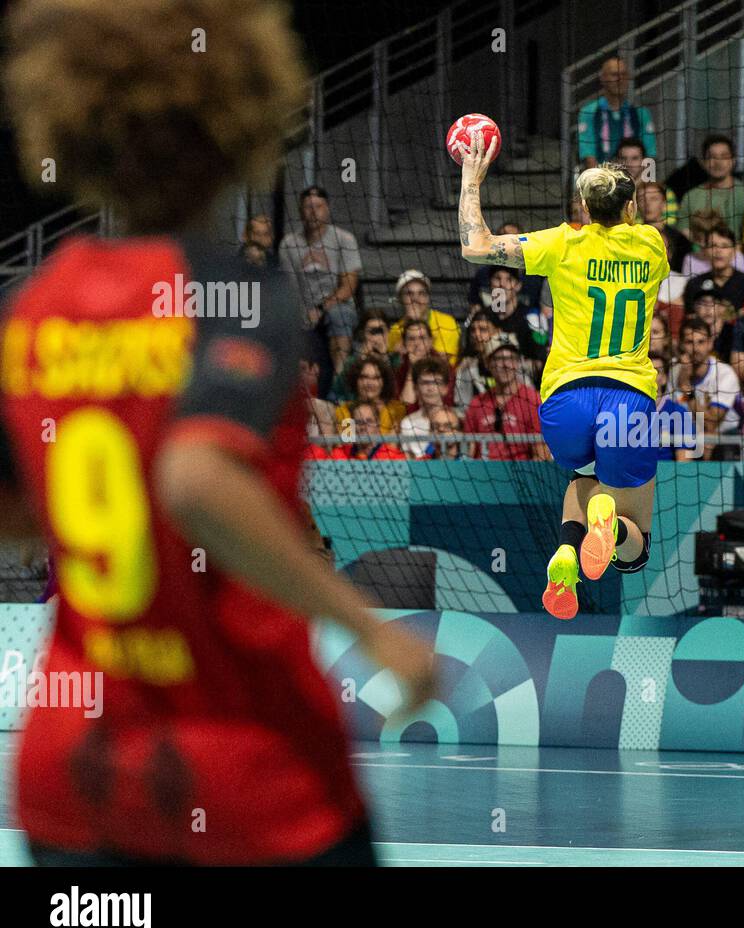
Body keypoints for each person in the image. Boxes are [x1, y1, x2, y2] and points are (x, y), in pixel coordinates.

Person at [0, 0, 436, 866]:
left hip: (73, 772)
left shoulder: (31, 305)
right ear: (238, 119)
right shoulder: (237, 297)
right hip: (250, 774)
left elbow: (18, 513)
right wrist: (374, 630)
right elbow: (197, 481)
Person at [458, 140, 667, 618]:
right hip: (627, 399)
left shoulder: (561, 242)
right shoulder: (652, 244)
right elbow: (626, 228)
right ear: (631, 207)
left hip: (563, 403)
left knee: (583, 476)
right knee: (635, 551)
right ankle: (609, 530)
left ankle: (568, 551)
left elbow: (476, 247)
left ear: (583, 208)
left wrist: (472, 177)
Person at [279, 185, 362, 375]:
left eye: (319, 206)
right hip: (302, 308)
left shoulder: (344, 239)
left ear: (327, 209)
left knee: (339, 316)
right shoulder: (289, 243)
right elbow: (290, 287)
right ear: (300, 211)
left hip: (336, 305)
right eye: (308, 207)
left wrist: (320, 309)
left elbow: (348, 287)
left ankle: (339, 380)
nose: (313, 211)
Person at [461, 340, 548, 463]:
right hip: (482, 473)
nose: (505, 364)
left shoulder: (533, 400)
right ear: (488, 364)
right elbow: (469, 451)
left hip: (523, 473)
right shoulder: (477, 403)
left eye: (511, 359)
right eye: (499, 359)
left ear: (518, 363)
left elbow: (541, 453)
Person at [577, 55, 657, 167]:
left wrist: (642, 182)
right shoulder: (589, 112)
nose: (620, 79)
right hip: (601, 179)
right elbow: (589, 158)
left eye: (624, 75)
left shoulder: (641, 113)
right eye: (614, 75)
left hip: (635, 180)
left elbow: (650, 156)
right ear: (603, 78)